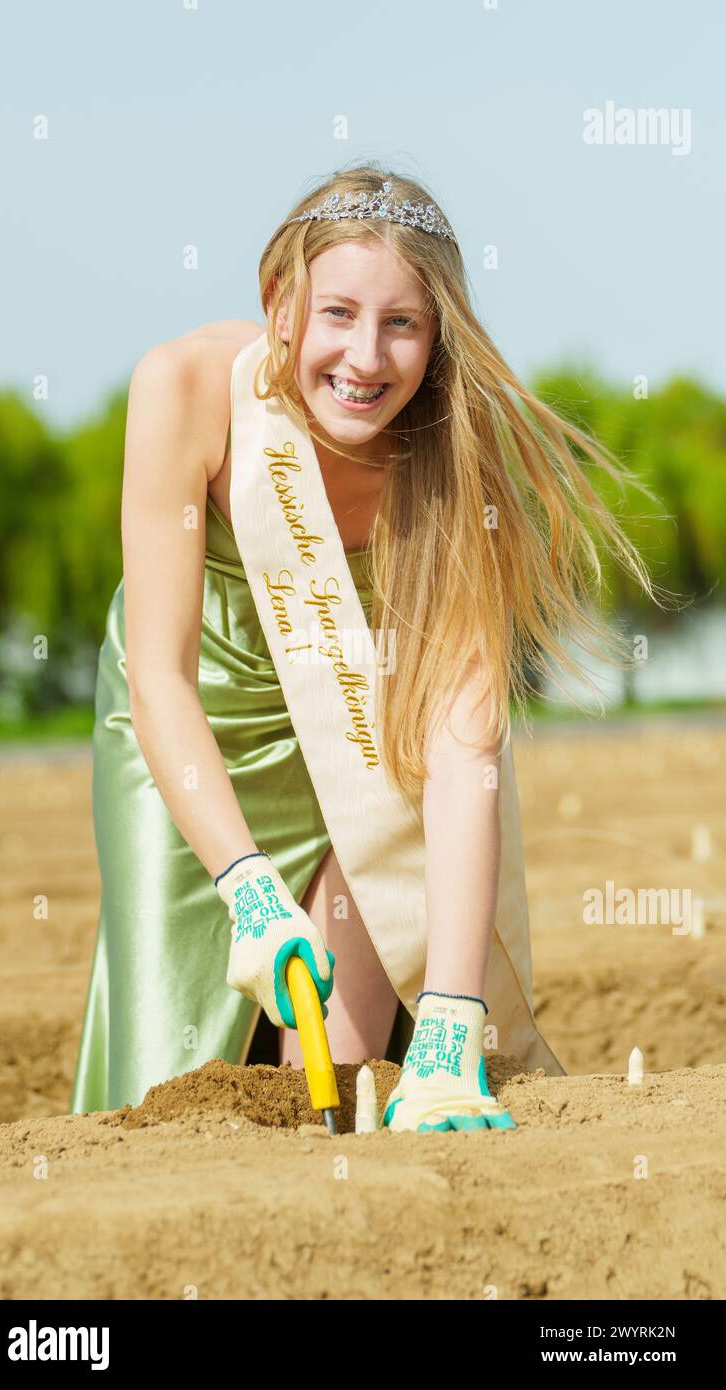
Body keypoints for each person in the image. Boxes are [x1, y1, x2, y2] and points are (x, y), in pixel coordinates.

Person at [69, 163, 667, 1132]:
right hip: (193, 709)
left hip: (365, 712)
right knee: (165, 1056)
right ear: (281, 304)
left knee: (341, 1072)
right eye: (338, 312)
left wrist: (451, 1023)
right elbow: (161, 675)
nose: (365, 354)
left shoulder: (458, 454)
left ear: (437, 340)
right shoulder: (183, 388)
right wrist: (251, 890)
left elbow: (465, 753)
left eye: (403, 323)